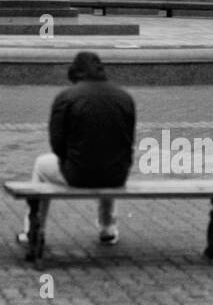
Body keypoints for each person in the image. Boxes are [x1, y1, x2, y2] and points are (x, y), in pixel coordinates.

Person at [19, 51, 136, 247]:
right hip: (117, 174)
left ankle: (34, 229)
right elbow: (127, 140)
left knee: (41, 165)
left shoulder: (66, 98)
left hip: (77, 174)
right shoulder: (124, 97)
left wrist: (69, 160)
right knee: (108, 158)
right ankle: (108, 228)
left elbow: (56, 142)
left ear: (75, 73)